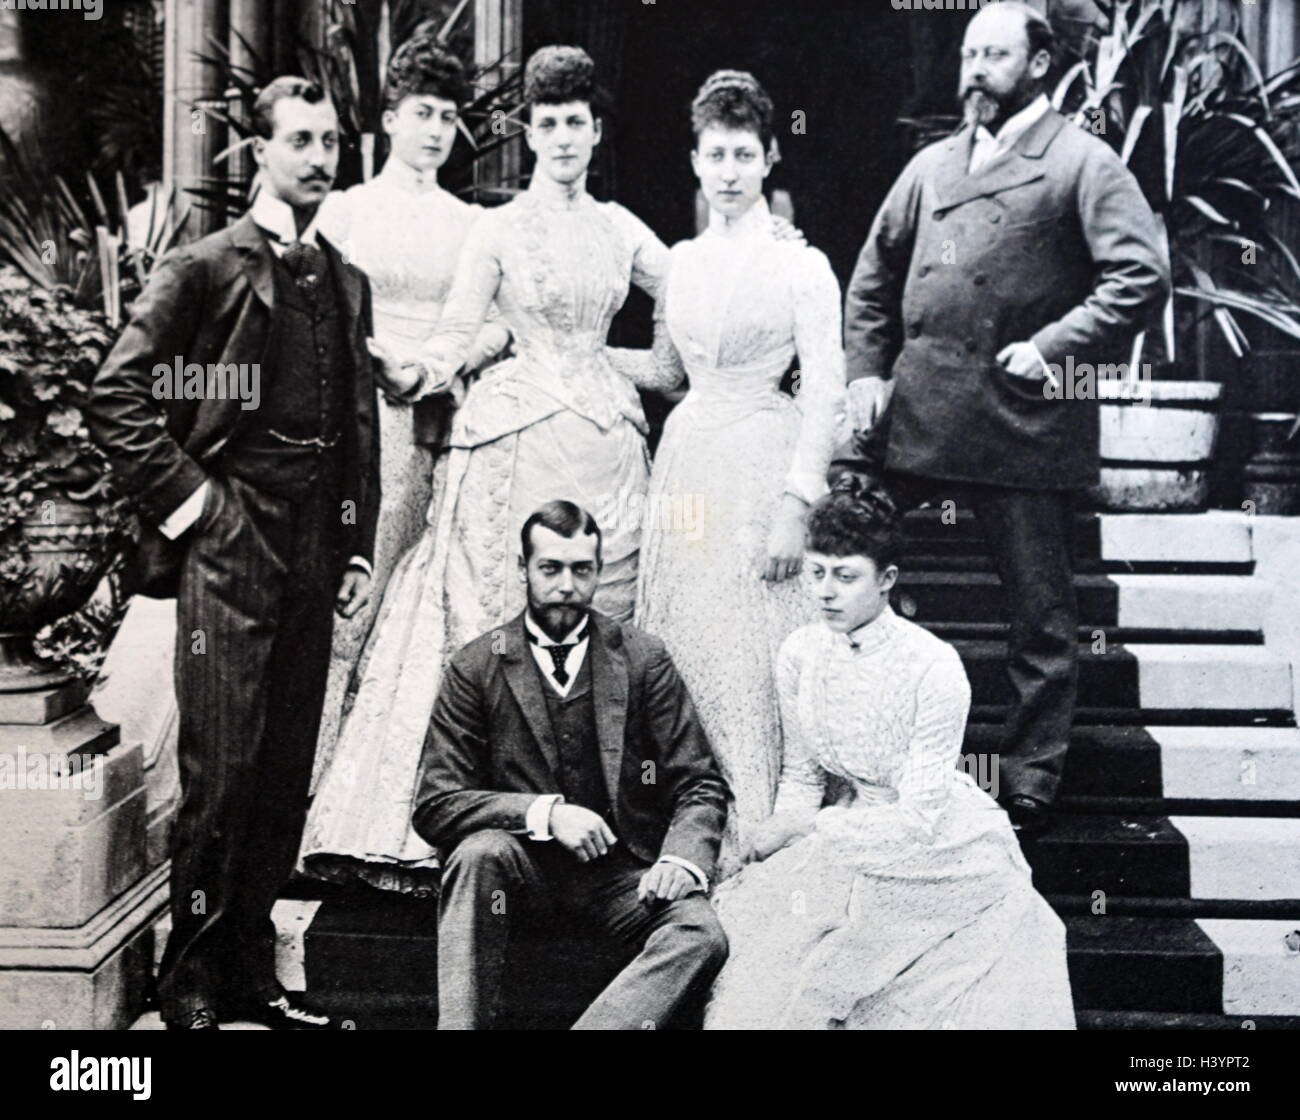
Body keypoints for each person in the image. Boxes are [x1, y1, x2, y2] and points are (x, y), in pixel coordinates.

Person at [316, 44, 688, 895]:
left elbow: (684, 321)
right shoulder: (496, 227)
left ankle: (599, 821)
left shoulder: (622, 227)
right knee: (494, 618)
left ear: (596, 132)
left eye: (576, 123)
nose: (562, 139)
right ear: (528, 132)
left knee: (601, 623)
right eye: (547, 124)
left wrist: (599, 363)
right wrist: (418, 375)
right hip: (512, 441)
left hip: (606, 446)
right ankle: (487, 818)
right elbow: (456, 332)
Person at [85, 77, 380, 1030]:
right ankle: (192, 982)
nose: (319, 157)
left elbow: (356, 429)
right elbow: (119, 397)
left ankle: (254, 969)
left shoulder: (343, 278)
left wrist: (355, 542)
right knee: (225, 768)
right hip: (232, 538)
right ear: (259, 152)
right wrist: (197, 506)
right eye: (299, 139)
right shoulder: (209, 267)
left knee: (287, 763)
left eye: (331, 141)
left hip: (310, 546)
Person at [841, 1, 1168, 833]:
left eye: (995, 54)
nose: (976, 69)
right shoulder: (930, 166)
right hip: (917, 418)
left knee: (1042, 619)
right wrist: (865, 377)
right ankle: (851, 758)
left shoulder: (1080, 162)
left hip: (1022, 422)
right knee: (840, 555)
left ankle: (1029, 782)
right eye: (969, 53)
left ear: (1040, 62)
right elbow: (873, 280)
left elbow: (1139, 276)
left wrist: (1055, 348)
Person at [704, 480, 1075, 1029]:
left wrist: (808, 832)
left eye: (846, 576)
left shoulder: (934, 665)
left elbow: (919, 818)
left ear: (887, 580)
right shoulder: (800, 653)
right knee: (762, 970)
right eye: (816, 573)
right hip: (843, 832)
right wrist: (783, 834)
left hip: (934, 850)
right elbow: (803, 776)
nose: (827, 593)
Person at [300, 32, 509, 890]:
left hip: (437, 430)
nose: (434, 130)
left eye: (448, 116)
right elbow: (303, 305)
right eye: (420, 113)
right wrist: (369, 356)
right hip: (354, 428)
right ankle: (305, 813)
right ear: (388, 119)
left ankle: (386, 819)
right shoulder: (347, 211)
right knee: (342, 614)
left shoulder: (473, 223)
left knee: (416, 617)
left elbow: (501, 324)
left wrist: (442, 363)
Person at [635, 71, 845, 876]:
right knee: (687, 634)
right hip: (689, 465)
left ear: (768, 159)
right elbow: (665, 373)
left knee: (758, 645)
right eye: (714, 153)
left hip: (763, 457)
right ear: (695, 160)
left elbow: (824, 389)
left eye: (744, 154)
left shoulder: (801, 264)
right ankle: (687, 827)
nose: (728, 170)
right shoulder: (681, 262)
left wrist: (799, 501)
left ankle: (760, 830)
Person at [414, 501, 729, 1030]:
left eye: (581, 570)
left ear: (598, 573)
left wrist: (680, 860)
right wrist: (545, 814)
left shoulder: (642, 658)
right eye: (550, 569)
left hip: (621, 880)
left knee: (701, 932)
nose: (566, 585)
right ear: (523, 570)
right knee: (476, 855)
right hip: (521, 875)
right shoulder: (476, 666)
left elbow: (698, 781)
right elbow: (437, 802)